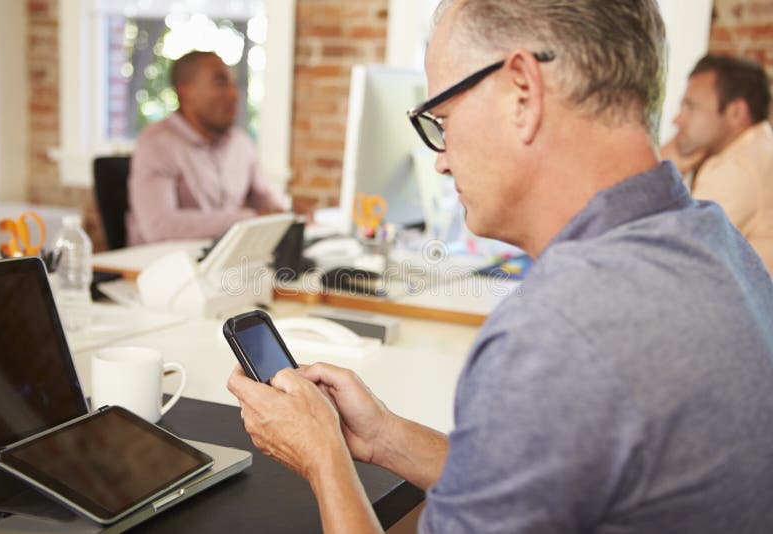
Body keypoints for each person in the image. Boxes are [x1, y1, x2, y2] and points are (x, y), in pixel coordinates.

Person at [227, 1, 773, 532]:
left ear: (522, 92)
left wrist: (323, 459)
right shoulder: (717, 241)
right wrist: (384, 437)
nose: (440, 159)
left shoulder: (556, 332)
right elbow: (550, 477)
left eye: (442, 118)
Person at [126, 50, 285, 245]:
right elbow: (159, 227)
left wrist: (286, 213)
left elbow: (263, 200)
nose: (234, 95)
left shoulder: (240, 143)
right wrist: (246, 219)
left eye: (234, 84)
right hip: (163, 266)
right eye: (220, 83)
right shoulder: (157, 144)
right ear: (186, 92)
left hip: (225, 261)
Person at [664, 54, 773, 273]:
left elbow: (674, 258)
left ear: (736, 113)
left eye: (691, 107)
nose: (677, 120)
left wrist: (662, 172)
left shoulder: (737, 168)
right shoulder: (759, 146)